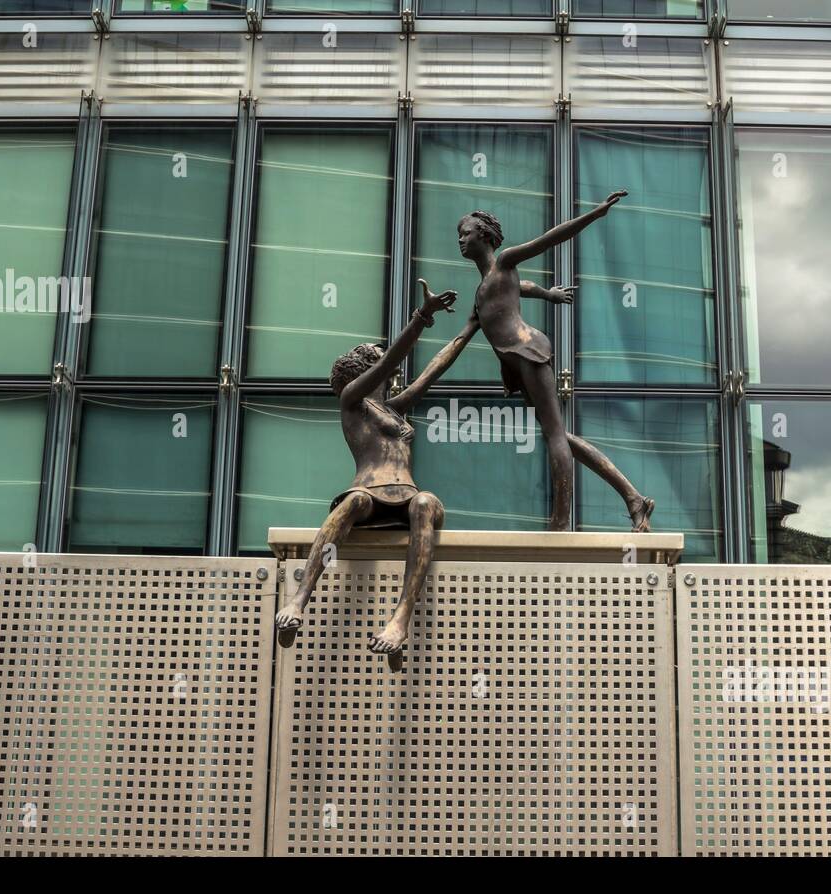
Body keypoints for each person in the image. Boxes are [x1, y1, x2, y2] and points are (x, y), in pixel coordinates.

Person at [274, 278, 477, 657]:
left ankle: (400, 619)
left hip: (409, 499)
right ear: (363, 370)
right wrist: (422, 317)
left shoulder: (393, 408)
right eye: (376, 361)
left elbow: (433, 370)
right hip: (368, 494)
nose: (386, 368)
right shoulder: (353, 401)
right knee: (350, 504)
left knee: (425, 503)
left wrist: (471, 326)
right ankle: (298, 600)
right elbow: (391, 360)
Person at [456, 192, 654, 532]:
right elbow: (520, 288)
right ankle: (634, 498)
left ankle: (561, 524)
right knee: (559, 434)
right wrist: (547, 293)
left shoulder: (504, 261)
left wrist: (594, 215)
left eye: (466, 233)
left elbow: (549, 239)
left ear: (485, 236)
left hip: (528, 352)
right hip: (519, 362)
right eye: (459, 234)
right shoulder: (487, 284)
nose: (461, 239)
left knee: (555, 437)